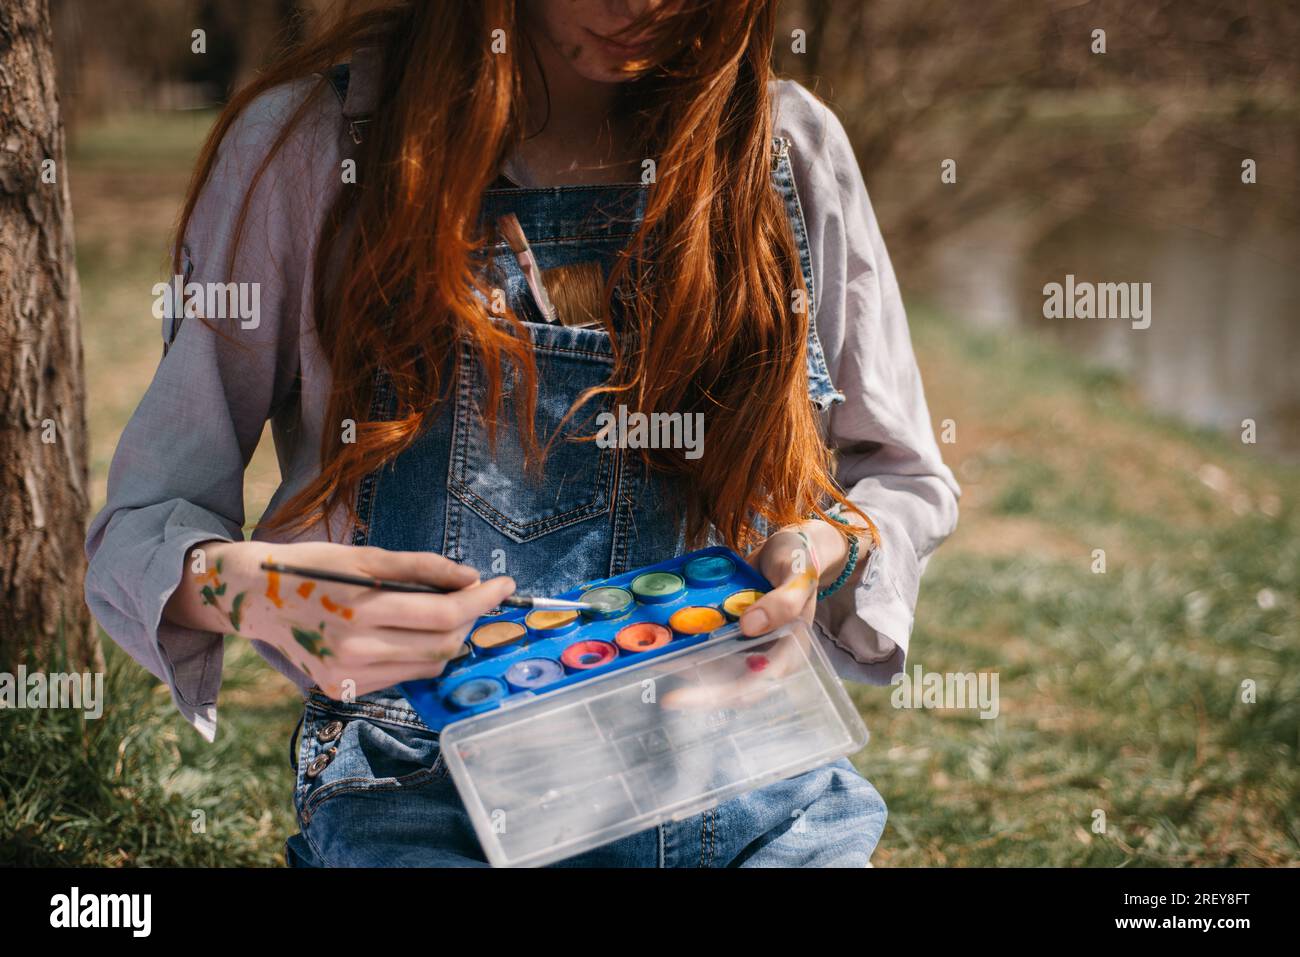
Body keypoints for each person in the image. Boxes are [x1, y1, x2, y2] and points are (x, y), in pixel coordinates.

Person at [85, 0, 959, 867]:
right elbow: (139, 527)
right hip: (427, 801)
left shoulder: (786, 149)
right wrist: (259, 590)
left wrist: (821, 545)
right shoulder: (318, 150)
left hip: (752, 788)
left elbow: (903, 476)